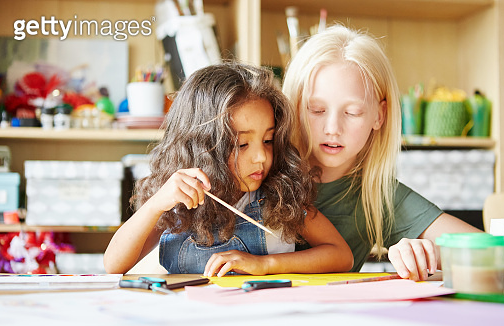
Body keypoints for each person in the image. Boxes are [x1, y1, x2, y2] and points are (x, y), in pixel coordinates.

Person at [104, 63, 353, 277]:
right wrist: (156, 203)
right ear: (202, 147)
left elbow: (341, 256)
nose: (261, 157)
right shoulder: (177, 203)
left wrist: (265, 264)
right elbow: (114, 266)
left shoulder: (280, 198)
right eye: (242, 144)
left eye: (268, 140)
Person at [282, 25, 481, 281]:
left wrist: (420, 251)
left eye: (353, 113)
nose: (332, 129)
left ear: (379, 115)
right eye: (316, 110)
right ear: (294, 107)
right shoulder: (261, 169)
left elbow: (489, 252)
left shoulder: (377, 195)